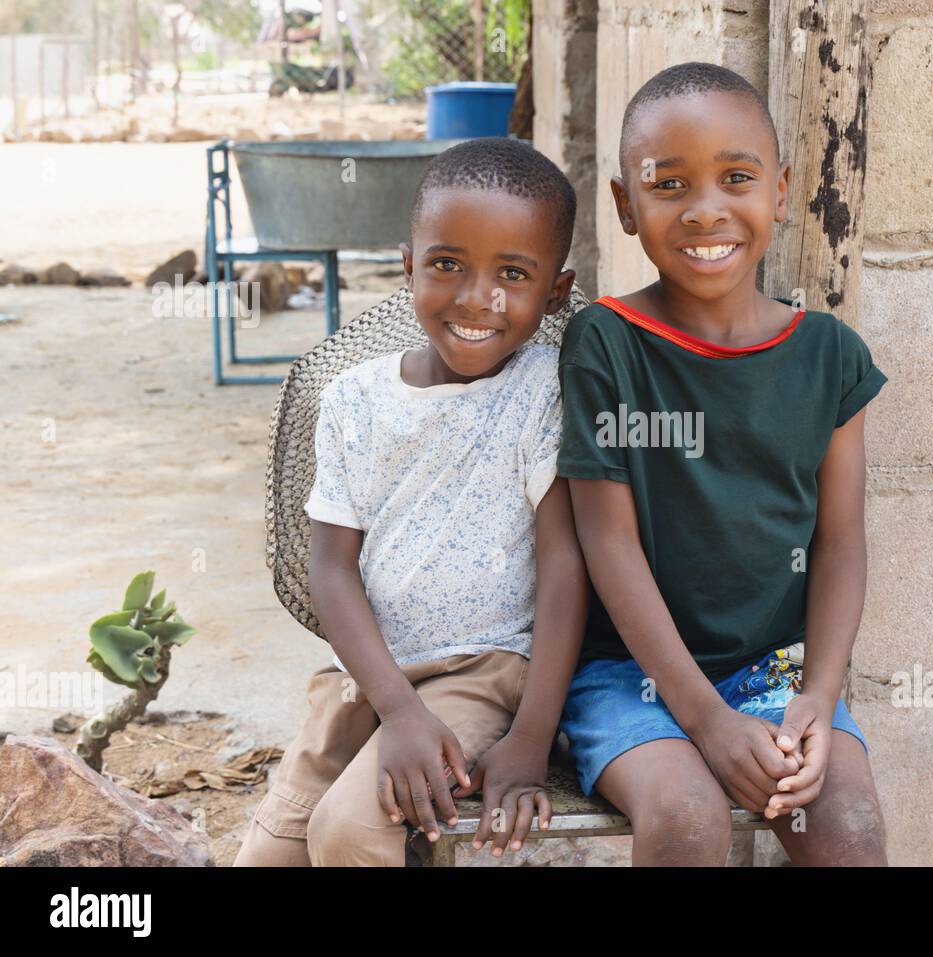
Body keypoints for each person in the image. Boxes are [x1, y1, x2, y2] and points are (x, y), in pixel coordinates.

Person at [555, 63, 890, 866]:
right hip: (628, 673)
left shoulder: (830, 357)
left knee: (847, 822)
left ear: (778, 190)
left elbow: (840, 542)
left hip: (773, 672)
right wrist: (703, 717)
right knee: (685, 815)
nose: (706, 209)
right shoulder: (605, 342)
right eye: (669, 185)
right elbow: (608, 543)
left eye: (735, 178)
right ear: (625, 206)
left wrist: (815, 695)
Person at [234, 137, 587, 866]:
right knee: (268, 858)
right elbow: (331, 570)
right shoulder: (354, 399)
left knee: (351, 832)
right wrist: (394, 706)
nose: (474, 297)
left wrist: (530, 735)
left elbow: (564, 570)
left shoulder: (546, 392)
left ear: (555, 292)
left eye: (512, 274)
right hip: (368, 678)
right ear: (407, 266)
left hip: (483, 673)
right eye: (448, 264)